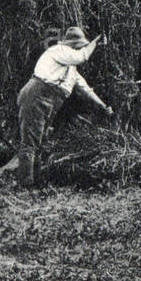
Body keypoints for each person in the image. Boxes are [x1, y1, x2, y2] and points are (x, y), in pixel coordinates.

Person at [17, 26, 110, 185]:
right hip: (36, 94)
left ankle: (36, 180)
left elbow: (85, 89)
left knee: (41, 140)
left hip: (51, 100)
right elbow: (82, 57)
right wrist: (95, 42)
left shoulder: (71, 69)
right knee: (30, 141)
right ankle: (25, 183)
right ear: (71, 44)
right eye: (78, 46)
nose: (79, 49)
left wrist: (103, 105)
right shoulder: (57, 50)